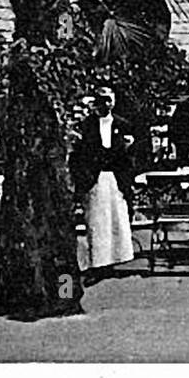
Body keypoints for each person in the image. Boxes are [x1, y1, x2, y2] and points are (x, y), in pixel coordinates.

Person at [70, 87, 136, 279]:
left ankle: (114, 262)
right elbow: (81, 154)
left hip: (116, 178)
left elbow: (130, 156)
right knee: (97, 222)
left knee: (115, 220)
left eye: (109, 100)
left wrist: (127, 149)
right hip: (95, 178)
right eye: (101, 100)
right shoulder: (87, 125)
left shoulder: (123, 125)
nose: (105, 104)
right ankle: (97, 264)